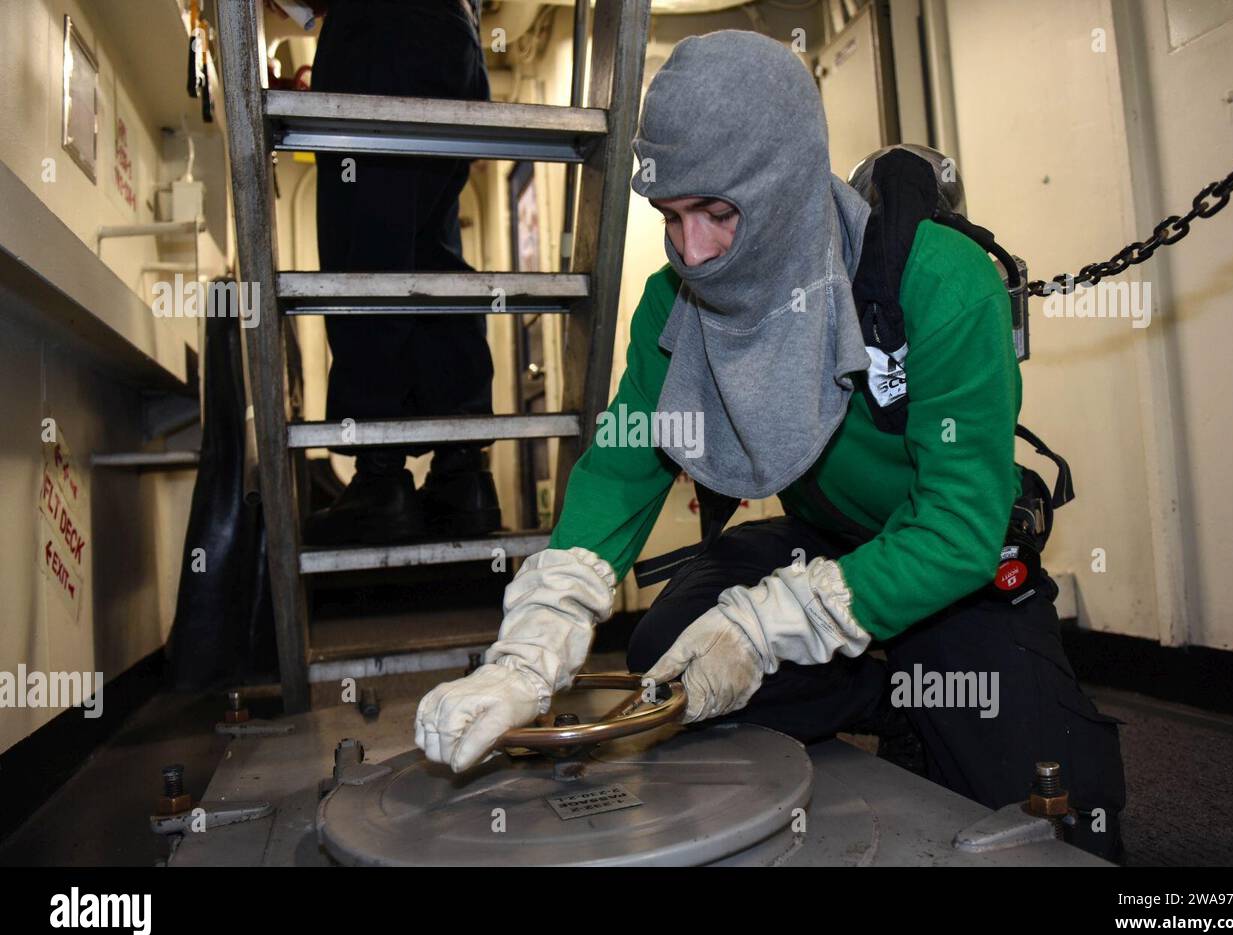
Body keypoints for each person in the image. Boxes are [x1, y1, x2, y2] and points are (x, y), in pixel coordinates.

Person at [414, 30, 1126, 862]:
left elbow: (962, 525)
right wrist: (529, 652)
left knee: (1061, 811)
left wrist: (765, 629)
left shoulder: (941, 285)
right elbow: (620, 467)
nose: (694, 250)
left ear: (787, 188)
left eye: (718, 212)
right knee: (668, 659)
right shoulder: (670, 306)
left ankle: (917, 690)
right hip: (822, 543)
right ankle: (889, 692)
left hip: (949, 564)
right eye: (673, 216)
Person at [298, 0, 501, 545]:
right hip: (453, 36)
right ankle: (463, 473)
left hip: (376, 31)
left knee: (365, 254)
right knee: (430, 250)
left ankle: (381, 478)